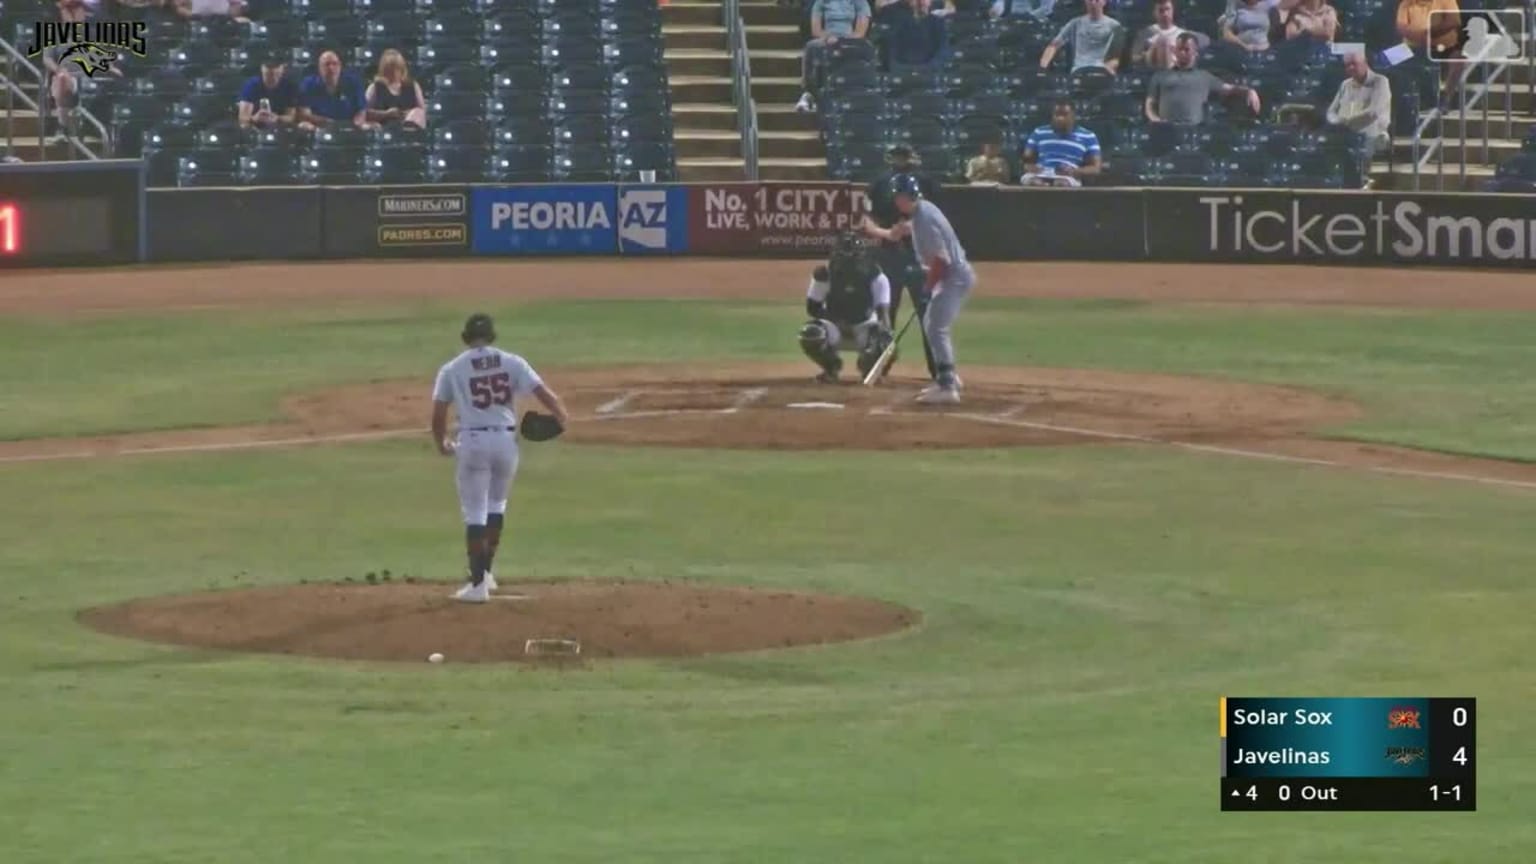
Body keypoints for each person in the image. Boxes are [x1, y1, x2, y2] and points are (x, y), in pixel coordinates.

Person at [431, 313, 569, 604]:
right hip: (506, 443)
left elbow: (439, 412)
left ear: (466, 337)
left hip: (474, 442)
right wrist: (561, 418)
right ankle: (487, 574)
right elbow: (546, 395)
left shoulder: (453, 368)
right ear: (492, 336)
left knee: (474, 512)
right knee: (497, 506)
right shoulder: (512, 361)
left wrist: (441, 441)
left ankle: (478, 583)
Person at [867, 175, 975, 404]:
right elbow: (914, 228)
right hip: (954, 275)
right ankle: (949, 377)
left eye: (899, 197)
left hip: (952, 277)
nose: (896, 201)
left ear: (907, 196)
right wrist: (893, 231)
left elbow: (940, 260)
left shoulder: (923, 219)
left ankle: (947, 386)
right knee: (934, 325)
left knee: (935, 327)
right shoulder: (924, 209)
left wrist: (927, 289)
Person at [861, 145, 940, 380]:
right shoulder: (878, 184)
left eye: (903, 156)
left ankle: (939, 370)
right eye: (897, 156)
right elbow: (866, 221)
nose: (900, 160)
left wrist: (911, 229)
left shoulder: (926, 182)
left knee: (928, 314)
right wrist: (887, 233)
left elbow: (937, 218)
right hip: (887, 255)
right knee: (884, 312)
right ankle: (878, 365)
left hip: (919, 255)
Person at [799, 232, 895, 383]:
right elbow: (813, 308)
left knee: (884, 339)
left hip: (864, 326)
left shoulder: (875, 276)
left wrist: (887, 341)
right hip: (835, 327)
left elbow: (883, 314)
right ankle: (831, 369)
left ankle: (868, 370)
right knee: (810, 333)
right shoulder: (825, 273)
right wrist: (837, 320)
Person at [1147, 33, 1262, 124]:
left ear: (1195, 52)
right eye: (1180, 49)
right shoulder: (1160, 76)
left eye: (1186, 49)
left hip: (1193, 131)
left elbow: (1229, 89)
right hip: (1166, 129)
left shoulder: (1205, 77)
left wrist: (1249, 91)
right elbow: (1149, 104)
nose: (1182, 53)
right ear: (1174, 51)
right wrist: (1155, 120)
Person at [796, 0, 872, 113]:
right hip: (828, 39)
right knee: (811, 46)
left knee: (867, 47)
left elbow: (861, 32)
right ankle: (808, 94)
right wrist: (828, 37)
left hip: (851, 39)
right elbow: (816, 30)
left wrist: (844, 40)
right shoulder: (821, 2)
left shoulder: (860, 2)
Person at [1021, 101, 1102, 186]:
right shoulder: (1039, 132)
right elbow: (1026, 161)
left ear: (1073, 116)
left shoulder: (1088, 136)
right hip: (1041, 172)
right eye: (1057, 115)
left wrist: (1075, 171)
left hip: (1069, 176)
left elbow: (1096, 168)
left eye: (1064, 115)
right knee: (1035, 182)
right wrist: (1030, 167)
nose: (1060, 118)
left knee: (1060, 184)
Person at [1326, 52, 1392, 155]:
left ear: (1365, 63)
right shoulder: (1345, 84)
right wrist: (1336, 121)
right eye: (1347, 65)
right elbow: (1331, 111)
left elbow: (1373, 112)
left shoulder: (1380, 81)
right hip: (1343, 132)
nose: (1351, 68)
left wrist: (1347, 122)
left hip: (1372, 133)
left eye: (1354, 64)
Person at [1038, 0, 1125, 75]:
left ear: (1104, 2)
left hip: (1103, 72)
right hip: (1079, 71)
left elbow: (1116, 56)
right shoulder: (1075, 23)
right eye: (1090, 0)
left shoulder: (1115, 26)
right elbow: (1053, 45)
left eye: (1097, 0)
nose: (1093, 3)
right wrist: (1043, 67)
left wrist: (1107, 70)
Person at [298, 51, 371, 131]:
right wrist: (327, 122)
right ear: (319, 67)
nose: (331, 68)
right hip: (319, 127)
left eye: (334, 64)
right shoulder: (308, 84)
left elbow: (361, 111)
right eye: (327, 64)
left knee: (373, 127)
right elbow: (304, 114)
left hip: (350, 126)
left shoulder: (353, 82)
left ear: (340, 66)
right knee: (303, 126)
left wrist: (356, 124)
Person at [1132, 0, 1209, 69]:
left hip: (1177, 72)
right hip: (1152, 72)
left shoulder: (1182, 33)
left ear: (1173, 11)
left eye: (1167, 9)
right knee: (1163, 41)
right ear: (1154, 13)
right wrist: (1148, 53)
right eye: (1161, 11)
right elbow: (1134, 58)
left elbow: (1206, 40)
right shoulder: (1145, 33)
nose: (1165, 14)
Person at [365, 49, 427, 129]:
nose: (394, 73)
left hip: (409, 129)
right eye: (390, 69)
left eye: (397, 69)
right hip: (384, 128)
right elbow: (364, 112)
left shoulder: (413, 86)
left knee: (417, 112)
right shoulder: (375, 87)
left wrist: (408, 114)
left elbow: (422, 111)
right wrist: (386, 114)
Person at [237, 55, 299, 128]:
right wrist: (254, 118)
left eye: (275, 66)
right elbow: (243, 117)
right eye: (268, 66)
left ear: (283, 68)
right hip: (255, 126)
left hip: (280, 127)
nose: (272, 69)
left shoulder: (290, 86)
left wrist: (277, 118)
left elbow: (291, 117)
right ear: (262, 68)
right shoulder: (251, 85)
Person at [885, 0, 948, 70]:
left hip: (930, 70)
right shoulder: (900, 22)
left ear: (930, 2)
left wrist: (930, 67)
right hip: (903, 69)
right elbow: (892, 47)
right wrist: (899, 67)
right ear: (910, 2)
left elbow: (943, 49)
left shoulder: (938, 23)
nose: (921, 2)